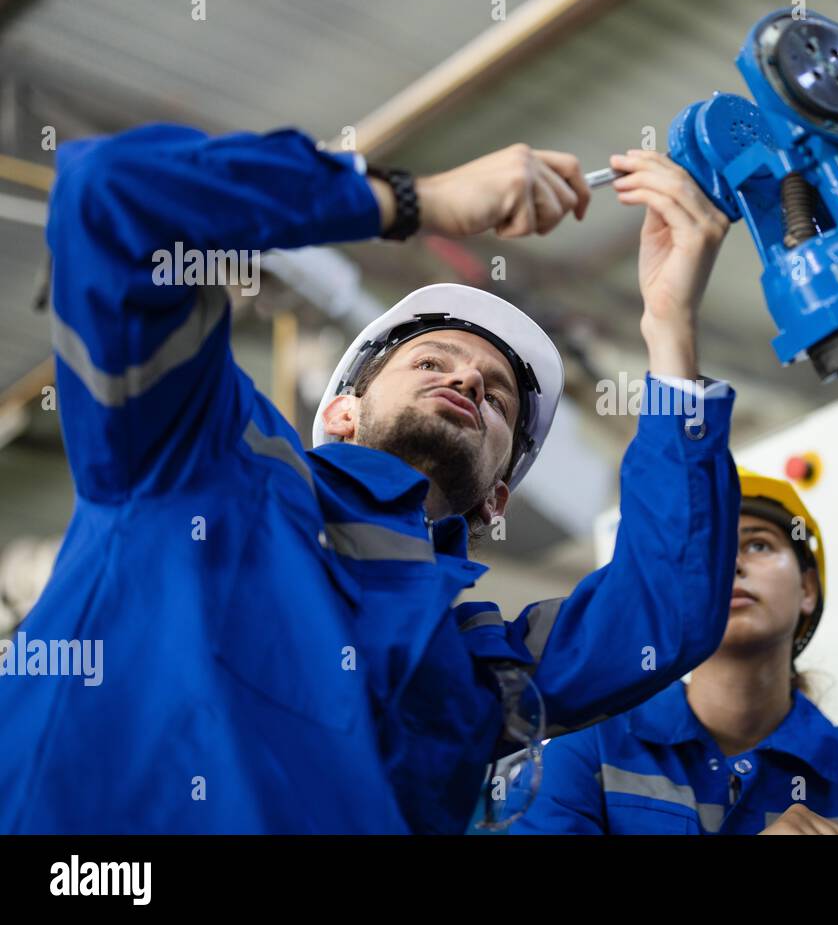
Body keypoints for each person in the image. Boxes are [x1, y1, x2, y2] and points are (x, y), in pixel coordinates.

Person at [0, 124, 739, 833]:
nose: (469, 380)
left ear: (496, 498)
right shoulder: (202, 452)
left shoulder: (481, 674)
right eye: (432, 359)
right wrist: (420, 201)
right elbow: (114, 193)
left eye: (498, 396)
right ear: (344, 412)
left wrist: (669, 328)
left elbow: (665, 607)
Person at [510, 468, 838, 834]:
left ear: (807, 589)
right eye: (712, 553)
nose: (733, 565)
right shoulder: (587, 747)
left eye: (759, 544)